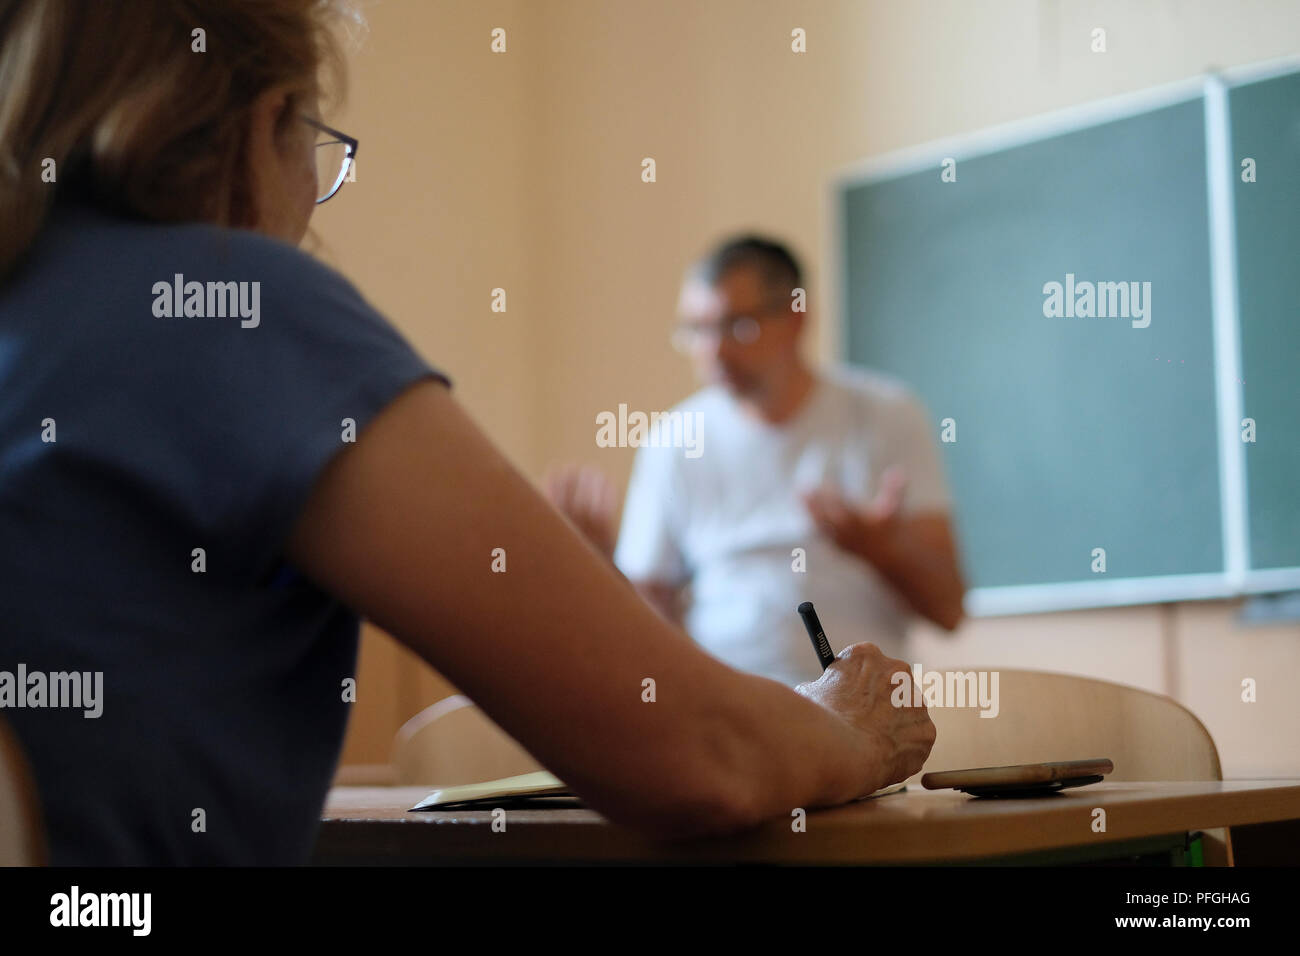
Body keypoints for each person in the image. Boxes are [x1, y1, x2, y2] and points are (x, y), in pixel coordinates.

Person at [0, 0, 933, 865]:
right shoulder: (235, 305)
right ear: (263, 122)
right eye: (315, 147)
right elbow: (700, 753)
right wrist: (848, 730)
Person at [548, 237, 966, 687]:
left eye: (737, 326)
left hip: (867, 711)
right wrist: (602, 568)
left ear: (796, 319)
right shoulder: (673, 440)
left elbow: (949, 611)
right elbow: (650, 620)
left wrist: (881, 551)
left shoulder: (886, 415)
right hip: (729, 715)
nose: (713, 351)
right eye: (697, 330)